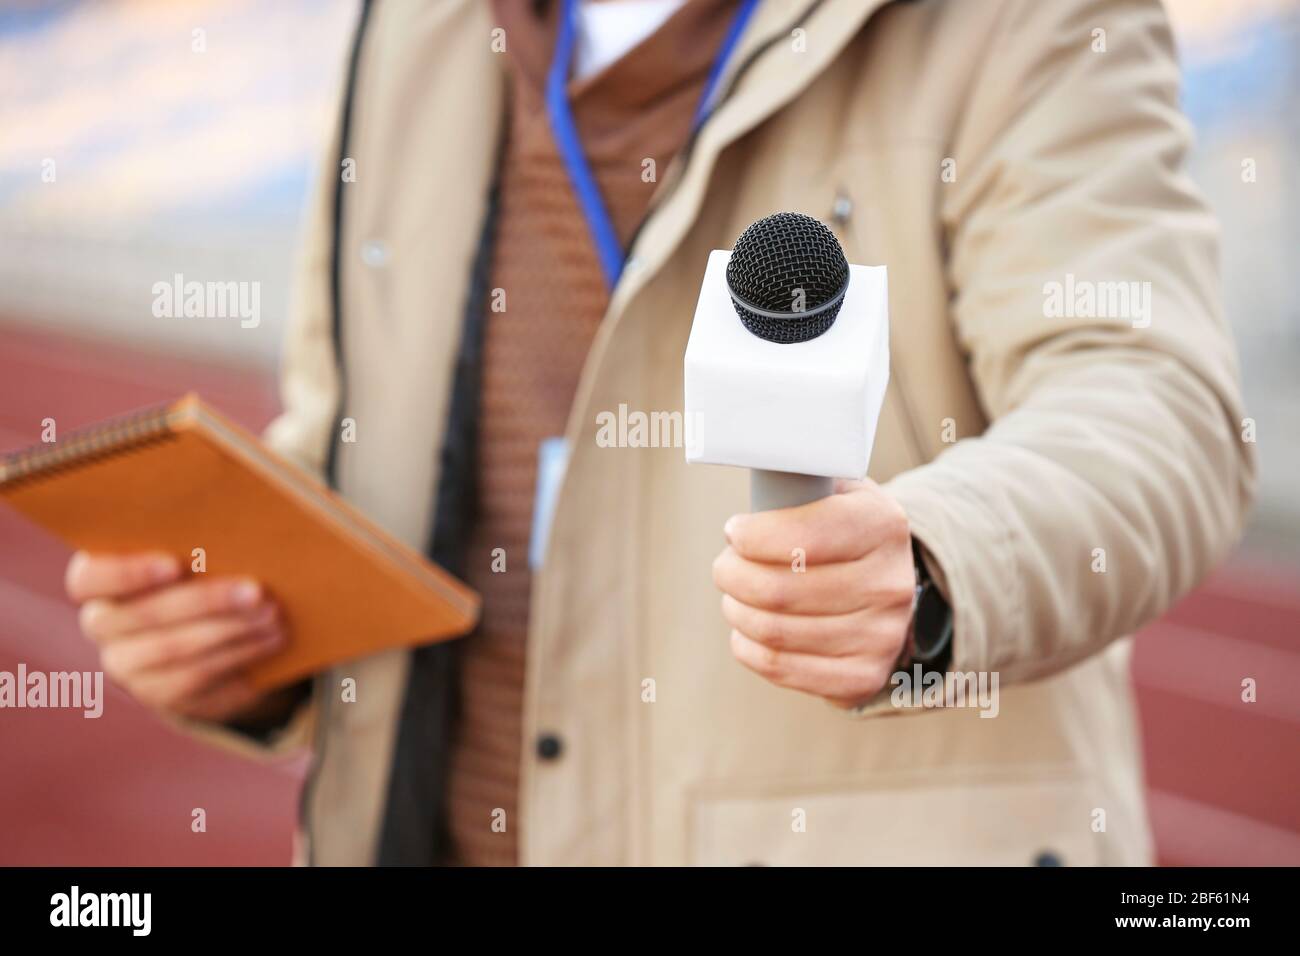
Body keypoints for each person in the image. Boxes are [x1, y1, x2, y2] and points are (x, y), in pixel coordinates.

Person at [64, 0, 1254, 866]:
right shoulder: (406, 30)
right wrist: (234, 630)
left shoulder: (1021, 21)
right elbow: (348, 436)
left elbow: (1153, 400)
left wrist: (941, 561)